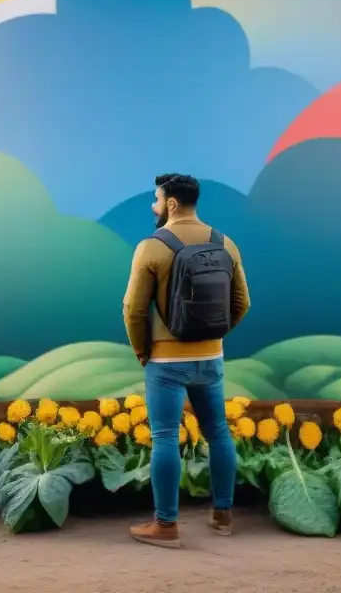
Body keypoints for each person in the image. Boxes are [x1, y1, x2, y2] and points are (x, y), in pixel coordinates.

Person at [122, 173, 251, 548]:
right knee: (218, 433)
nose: (153, 206)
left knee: (165, 437)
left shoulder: (152, 247)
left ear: (172, 204)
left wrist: (142, 350)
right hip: (212, 359)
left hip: (165, 364)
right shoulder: (226, 243)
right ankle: (223, 515)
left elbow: (133, 309)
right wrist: (212, 337)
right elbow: (242, 303)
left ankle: (166, 526)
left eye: (156, 199)